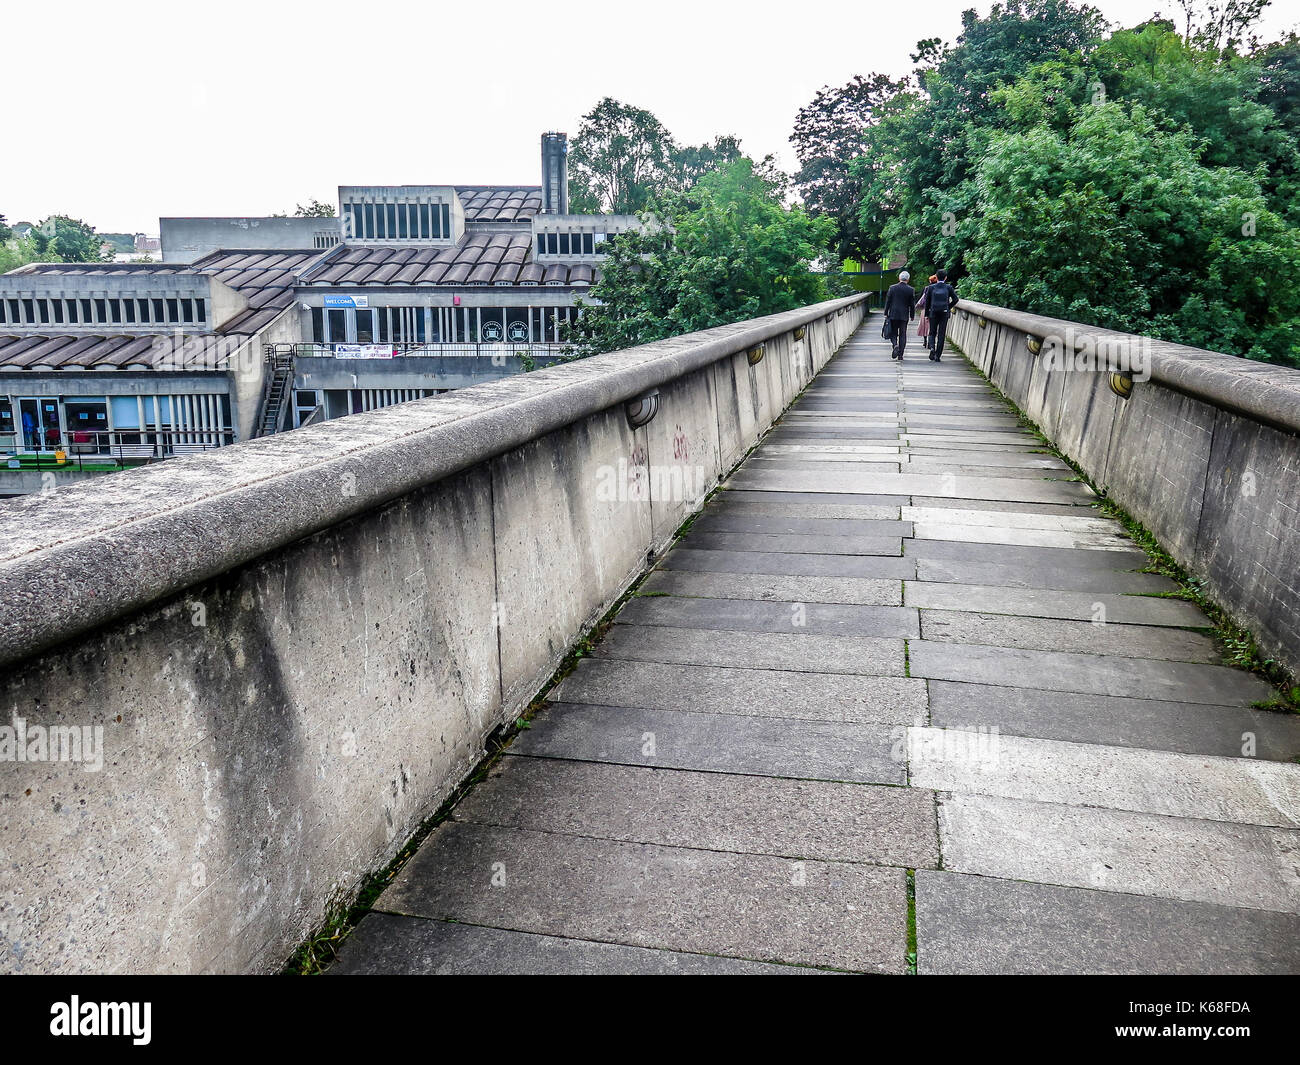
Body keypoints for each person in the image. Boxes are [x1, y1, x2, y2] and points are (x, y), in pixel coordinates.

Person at [923, 268, 959, 361]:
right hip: (944, 313)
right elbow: (956, 299)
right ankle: (938, 356)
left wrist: (926, 314)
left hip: (933, 312)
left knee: (932, 332)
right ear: (945, 278)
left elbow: (927, 302)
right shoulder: (948, 287)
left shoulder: (931, 287)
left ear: (936, 277)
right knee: (941, 334)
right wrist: (948, 307)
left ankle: (932, 348)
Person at [883, 270, 916, 360]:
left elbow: (888, 301)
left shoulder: (892, 288)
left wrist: (886, 313)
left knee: (893, 332)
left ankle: (895, 345)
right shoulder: (910, 290)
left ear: (899, 278)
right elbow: (912, 304)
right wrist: (912, 315)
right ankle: (900, 355)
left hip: (893, 314)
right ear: (908, 279)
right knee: (903, 334)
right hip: (904, 315)